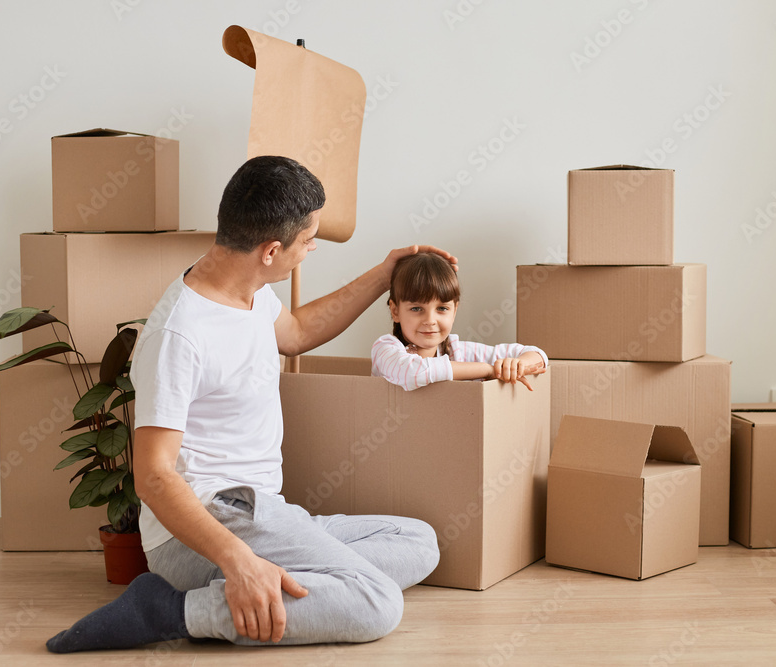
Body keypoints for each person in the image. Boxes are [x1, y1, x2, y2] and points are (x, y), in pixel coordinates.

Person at [46, 155, 448, 653]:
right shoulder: (180, 334)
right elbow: (153, 477)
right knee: (376, 602)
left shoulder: (249, 291)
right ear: (271, 250)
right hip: (206, 526)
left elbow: (297, 333)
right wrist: (237, 560)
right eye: (308, 240)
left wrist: (385, 273)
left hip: (262, 512)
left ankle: (282, 581)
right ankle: (168, 610)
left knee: (417, 542)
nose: (312, 247)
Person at [371, 252, 547, 391]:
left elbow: (537, 354)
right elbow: (412, 372)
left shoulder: (457, 351)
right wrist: (489, 370)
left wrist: (516, 365)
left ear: (454, 311)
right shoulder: (385, 349)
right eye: (416, 309)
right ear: (395, 311)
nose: (430, 320)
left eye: (442, 309)